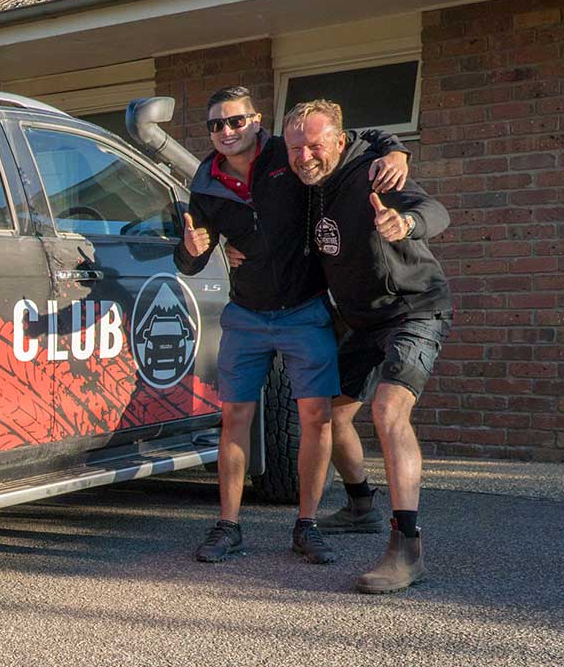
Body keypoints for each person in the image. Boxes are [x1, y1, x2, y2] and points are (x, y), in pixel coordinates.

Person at [175, 86, 409, 566]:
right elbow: (191, 256)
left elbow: (356, 138)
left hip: (305, 309)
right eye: (216, 124)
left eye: (236, 121)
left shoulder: (288, 152)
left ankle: (307, 525)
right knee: (235, 419)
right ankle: (228, 525)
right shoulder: (205, 182)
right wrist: (193, 252)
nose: (226, 131)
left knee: (317, 418)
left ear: (257, 120)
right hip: (246, 315)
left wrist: (397, 151)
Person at [283, 99, 452, 594]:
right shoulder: (308, 188)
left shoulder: (373, 172)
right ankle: (360, 506)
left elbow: (435, 211)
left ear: (339, 141)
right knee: (330, 414)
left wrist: (406, 224)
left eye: (316, 145)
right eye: (296, 148)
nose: (305, 156)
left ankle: (407, 548)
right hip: (361, 320)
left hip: (413, 308)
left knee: (388, 411)